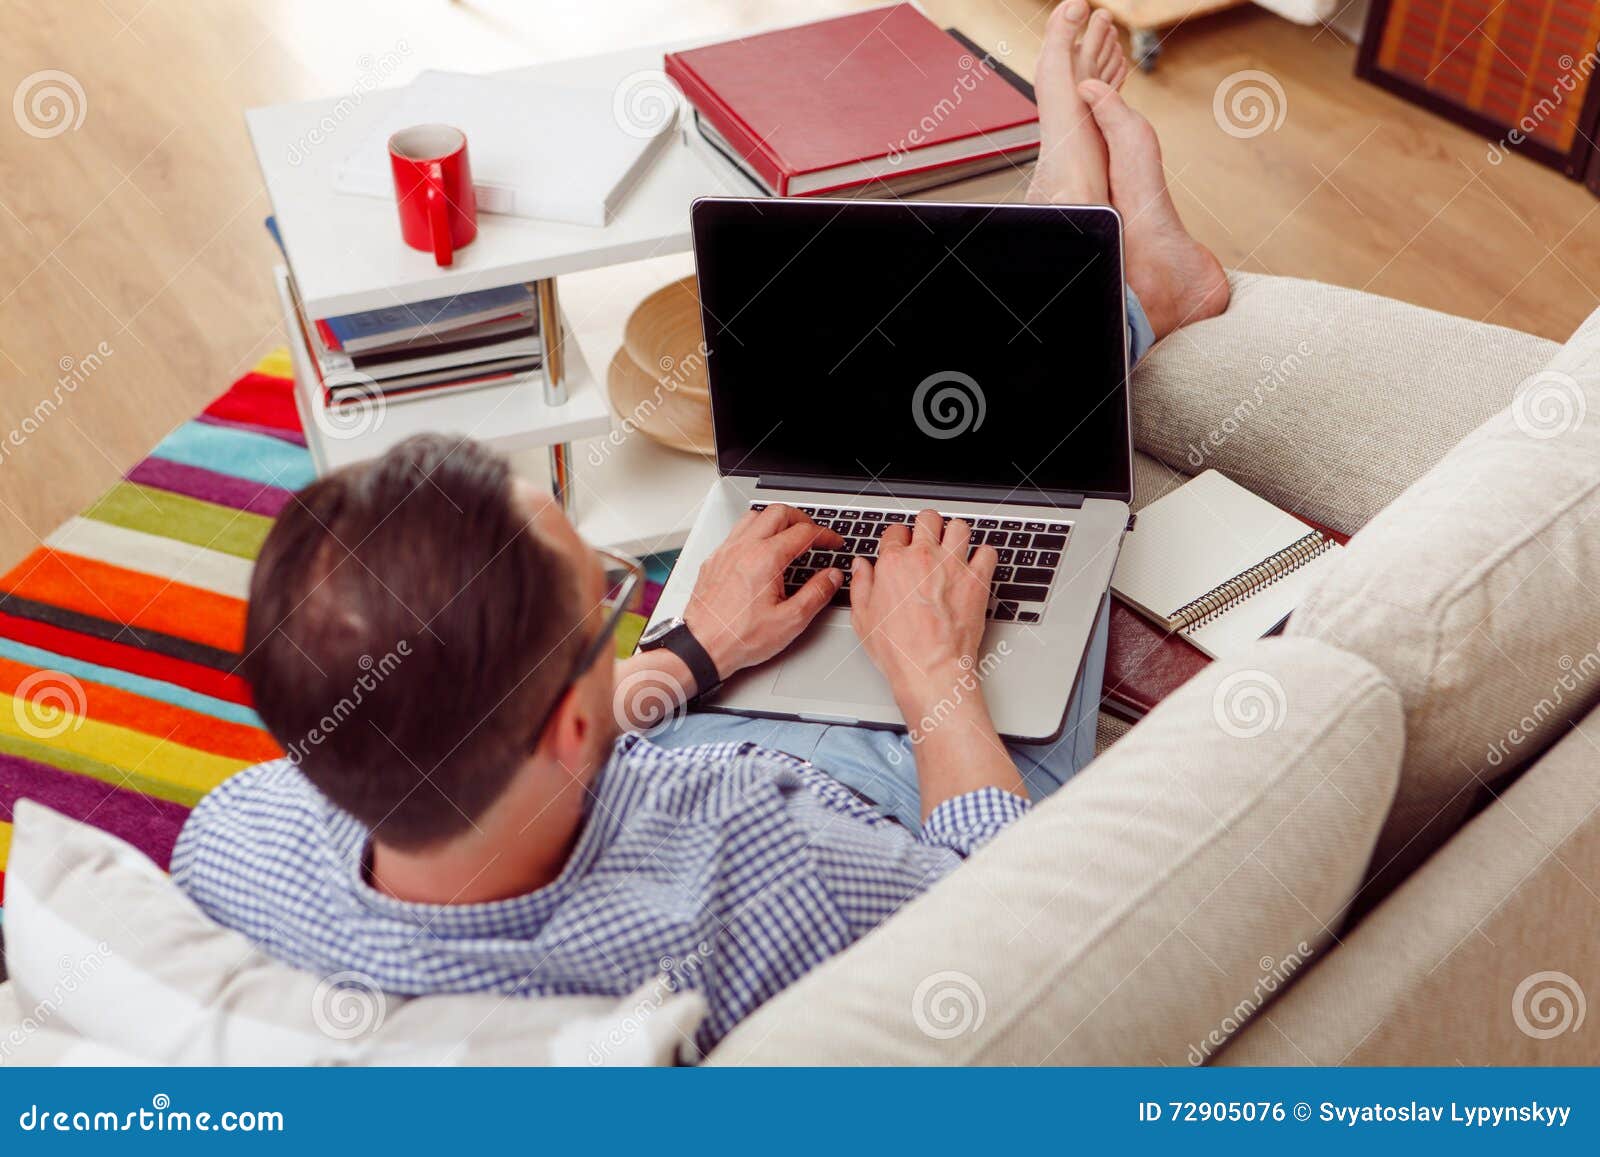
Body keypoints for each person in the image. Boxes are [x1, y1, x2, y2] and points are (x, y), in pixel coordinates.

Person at [171, 2, 1231, 1057]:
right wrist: (931, 675)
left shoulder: (238, 839)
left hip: (704, 714)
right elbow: (1005, 941)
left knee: (871, 452)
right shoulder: (771, 880)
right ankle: (1116, 259)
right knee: (999, 478)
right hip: (905, 782)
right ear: (570, 729)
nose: (638, 607)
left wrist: (692, 648)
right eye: (607, 608)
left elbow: (487, 757)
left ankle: (1101, 242)